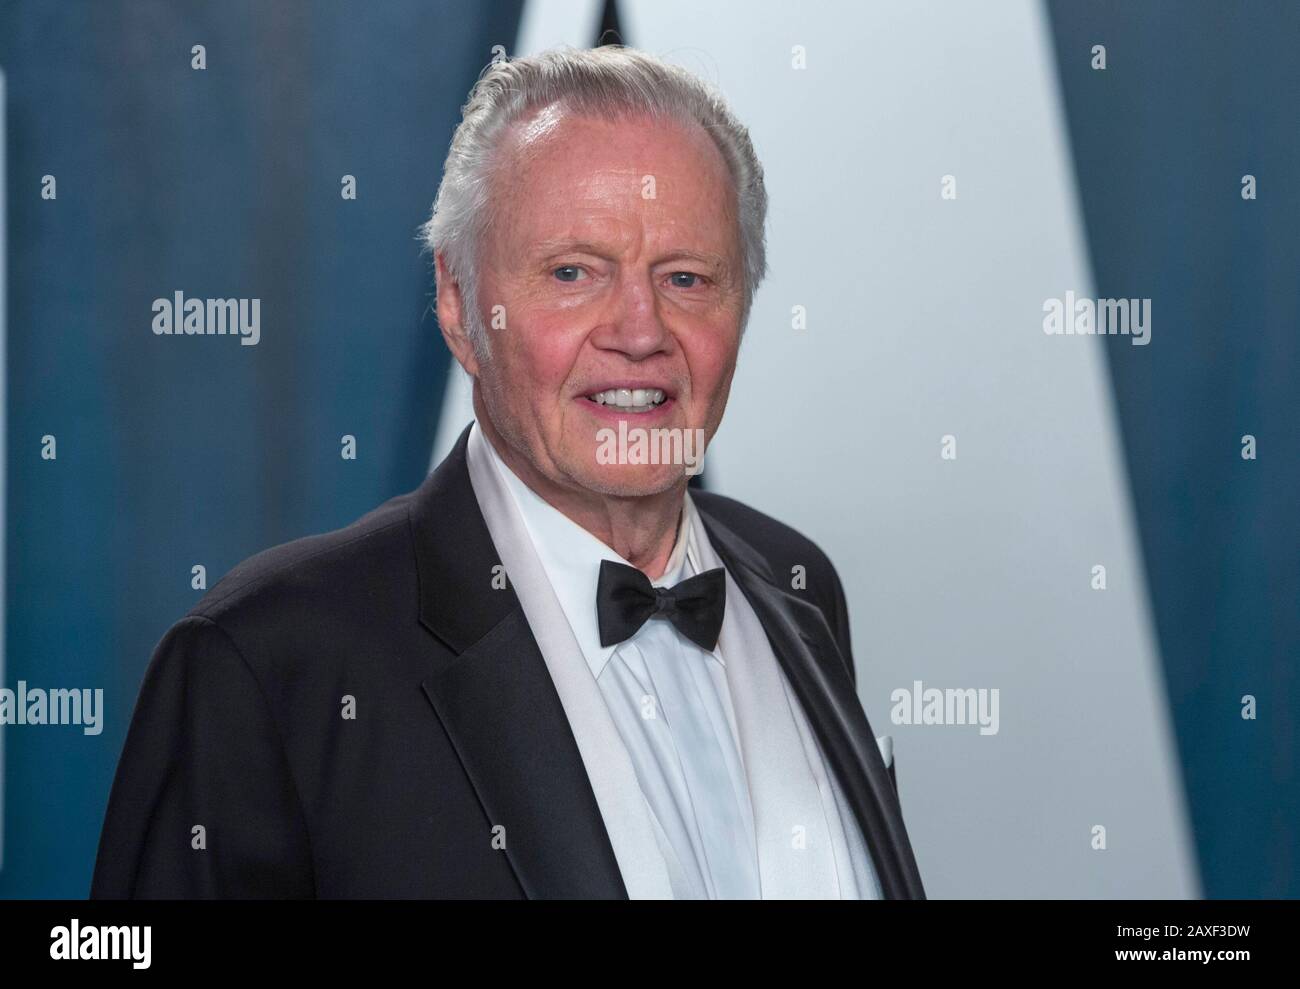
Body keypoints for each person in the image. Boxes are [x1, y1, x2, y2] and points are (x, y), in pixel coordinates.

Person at [90, 45, 925, 899]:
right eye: (573, 273)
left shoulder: (799, 586)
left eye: (686, 277)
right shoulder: (268, 665)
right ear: (458, 305)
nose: (641, 332)